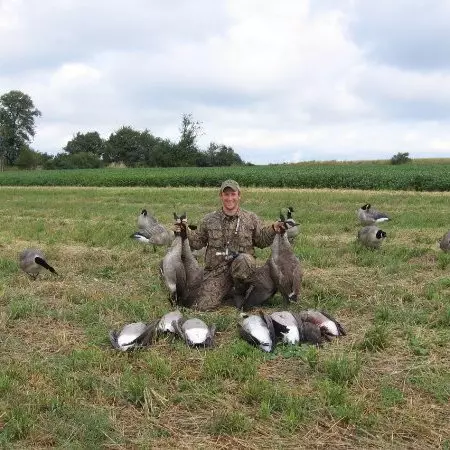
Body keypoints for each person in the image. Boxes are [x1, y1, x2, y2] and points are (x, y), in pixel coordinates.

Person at [179, 179, 286, 311]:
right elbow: (198, 242)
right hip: (217, 271)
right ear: (221, 196)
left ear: (239, 195)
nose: (230, 198)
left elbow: (261, 240)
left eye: (233, 194)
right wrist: (185, 231)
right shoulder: (209, 220)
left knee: (245, 261)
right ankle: (227, 292)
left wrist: (274, 228)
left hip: (243, 270)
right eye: (226, 194)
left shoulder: (250, 218)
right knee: (202, 306)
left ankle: (240, 290)